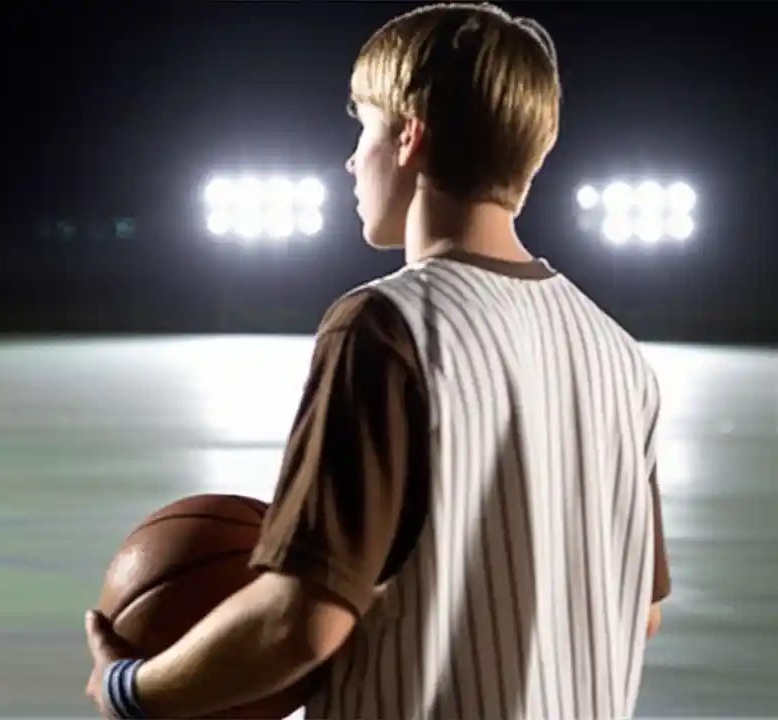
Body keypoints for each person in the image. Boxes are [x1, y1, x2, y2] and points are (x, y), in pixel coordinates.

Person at [85, 3, 670, 718]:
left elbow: (301, 622)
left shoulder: (385, 328)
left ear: (408, 137)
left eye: (361, 127)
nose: (350, 160)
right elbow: (639, 610)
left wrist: (132, 691)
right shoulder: (616, 352)